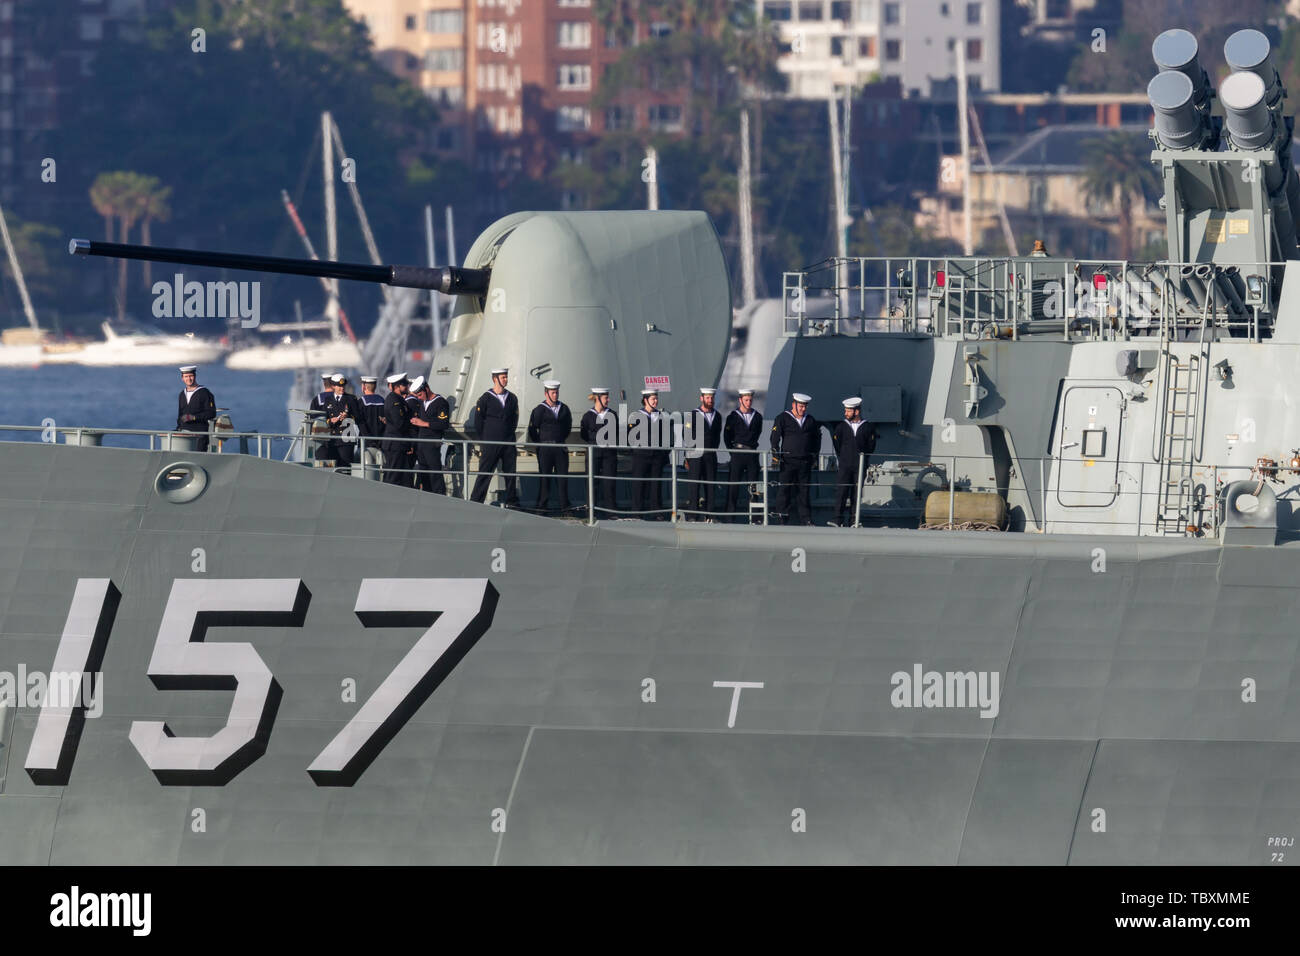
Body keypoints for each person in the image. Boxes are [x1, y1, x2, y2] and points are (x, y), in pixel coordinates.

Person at [470, 368, 520, 506]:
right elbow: (478, 422)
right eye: (503, 377)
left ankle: (512, 502)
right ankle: (476, 502)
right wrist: (485, 439)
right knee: (485, 473)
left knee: (510, 473)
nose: (506, 380)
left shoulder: (512, 398)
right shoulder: (485, 398)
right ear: (495, 379)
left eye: (506, 377)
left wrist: (508, 434)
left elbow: (514, 419)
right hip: (491, 442)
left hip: (508, 442)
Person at [770, 392, 820, 525]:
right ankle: (782, 516)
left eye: (805, 406)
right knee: (784, 490)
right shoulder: (783, 418)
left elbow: (817, 438)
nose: (803, 409)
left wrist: (814, 454)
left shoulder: (810, 420)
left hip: (804, 461)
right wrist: (776, 454)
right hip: (788, 461)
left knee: (804, 491)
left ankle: (806, 519)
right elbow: (775, 437)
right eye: (801, 406)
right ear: (794, 404)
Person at [527, 379, 573, 512]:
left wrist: (559, 439)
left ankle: (565, 507)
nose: (555, 395)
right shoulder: (539, 410)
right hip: (545, 449)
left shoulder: (564, 409)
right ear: (546, 393)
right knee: (544, 478)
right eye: (553, 393)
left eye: (557, 392)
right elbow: (532, 429)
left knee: (562, 478)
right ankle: (542, 506)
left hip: (560, 448)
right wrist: (540, 443)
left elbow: (567, 427)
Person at [830, 396, 876, 527]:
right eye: (845, 410)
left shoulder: (867, 427)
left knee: (856, 493)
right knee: (842, 491)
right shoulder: (841, 427)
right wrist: (844, 456)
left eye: (849, 411)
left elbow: (871, 446)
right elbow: (837, 443)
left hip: (860, 465)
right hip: (845, 465)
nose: (846, 413)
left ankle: (854, 520)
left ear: (856, 411)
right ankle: (837, 520)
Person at [629, 388, 670, 519]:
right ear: (645, 400)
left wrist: (663, 454)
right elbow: (630, 437)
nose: (656, 401)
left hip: (657, 456)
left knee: (655, 485)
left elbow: (666, 437)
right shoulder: (636, 416)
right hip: (641, 455)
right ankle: (636, 512)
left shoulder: (661, 416)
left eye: (656, 398)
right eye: (653, 399)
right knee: (638, 484)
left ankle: (656, 511)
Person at [724, 388, 763, 521]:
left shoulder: (757, 417)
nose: (749, 402)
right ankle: (730, 516)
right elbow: (726, 436)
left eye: (750, 400)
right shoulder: (733, 417)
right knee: (733, 485)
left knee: (754, 486)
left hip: (752, 453)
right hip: (737, 453)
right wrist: (733, 451)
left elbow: (757, 433)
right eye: (746, 400)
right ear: (740, 400)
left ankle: (756, 517)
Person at [683, 387, 722, 521]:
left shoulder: (717, 416)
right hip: (695, 454)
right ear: (702, 398)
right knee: (694, 485)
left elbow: (717, 436)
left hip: (710, 454)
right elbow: (687, 436)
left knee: (710, 485)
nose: (710, 400)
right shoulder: (693, 415)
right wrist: (687, 456)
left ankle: (710, 514)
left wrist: (713, 450)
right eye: (707, 397)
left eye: (711, 398)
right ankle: (692, 515)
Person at [580, 387, 618, 516]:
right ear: (597, 398)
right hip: (594, 452)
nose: (608, 400)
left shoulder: (612, 414)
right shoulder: (588, 416)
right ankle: (591, 511)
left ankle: (610, 512)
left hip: (609, 454)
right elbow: (584, 434)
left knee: (609, 483)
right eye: (605, 397)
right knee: (591, 482)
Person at [410, 376, 449, 494]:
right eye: (417, 396)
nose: (419, 398)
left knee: (435, 474)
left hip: (432, 444)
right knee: (424, 475)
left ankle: (440, 498)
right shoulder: (423, 403)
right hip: (422, 444)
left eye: (420, 395)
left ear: (426, 389)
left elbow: (443, 424)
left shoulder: (440, 402)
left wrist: (424, 423)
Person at [382, 372, 414, 485]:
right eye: (404, 384)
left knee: (405, 478)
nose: (407, 386)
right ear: (397, 386)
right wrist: (412, 422)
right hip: (395, 445)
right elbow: (399, 423)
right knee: (393, 477)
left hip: (400, 444)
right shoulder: (394, 401)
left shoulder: (400, 400)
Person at [324, 373, 363, 467]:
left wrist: (348, 417)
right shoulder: (328, 400)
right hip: (332, 439)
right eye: (339, 386)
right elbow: (324, 418)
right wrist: (330, 421)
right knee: (332, 467)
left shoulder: (351, 399)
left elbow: (358, 418)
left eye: (343, 386)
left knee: (345, 467)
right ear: (333, 386)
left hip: (347, 439)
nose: (342, 388)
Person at [176, 365, 217, 452]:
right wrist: (178, 428)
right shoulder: (181, 395)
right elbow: (180, 414)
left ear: (195, 376)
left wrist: (194, 417)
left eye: (191, 376)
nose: (189, 379)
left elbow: (211, 413)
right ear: (182, 378)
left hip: (200, 434)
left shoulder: (204, 392)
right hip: (184, 435)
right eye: (186, 376)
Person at [358, 376, 386, 441]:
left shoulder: (361, 402)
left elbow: (360, 423)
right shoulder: (382, 401)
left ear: (364, 387)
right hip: (381, 440)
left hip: (365, 441)